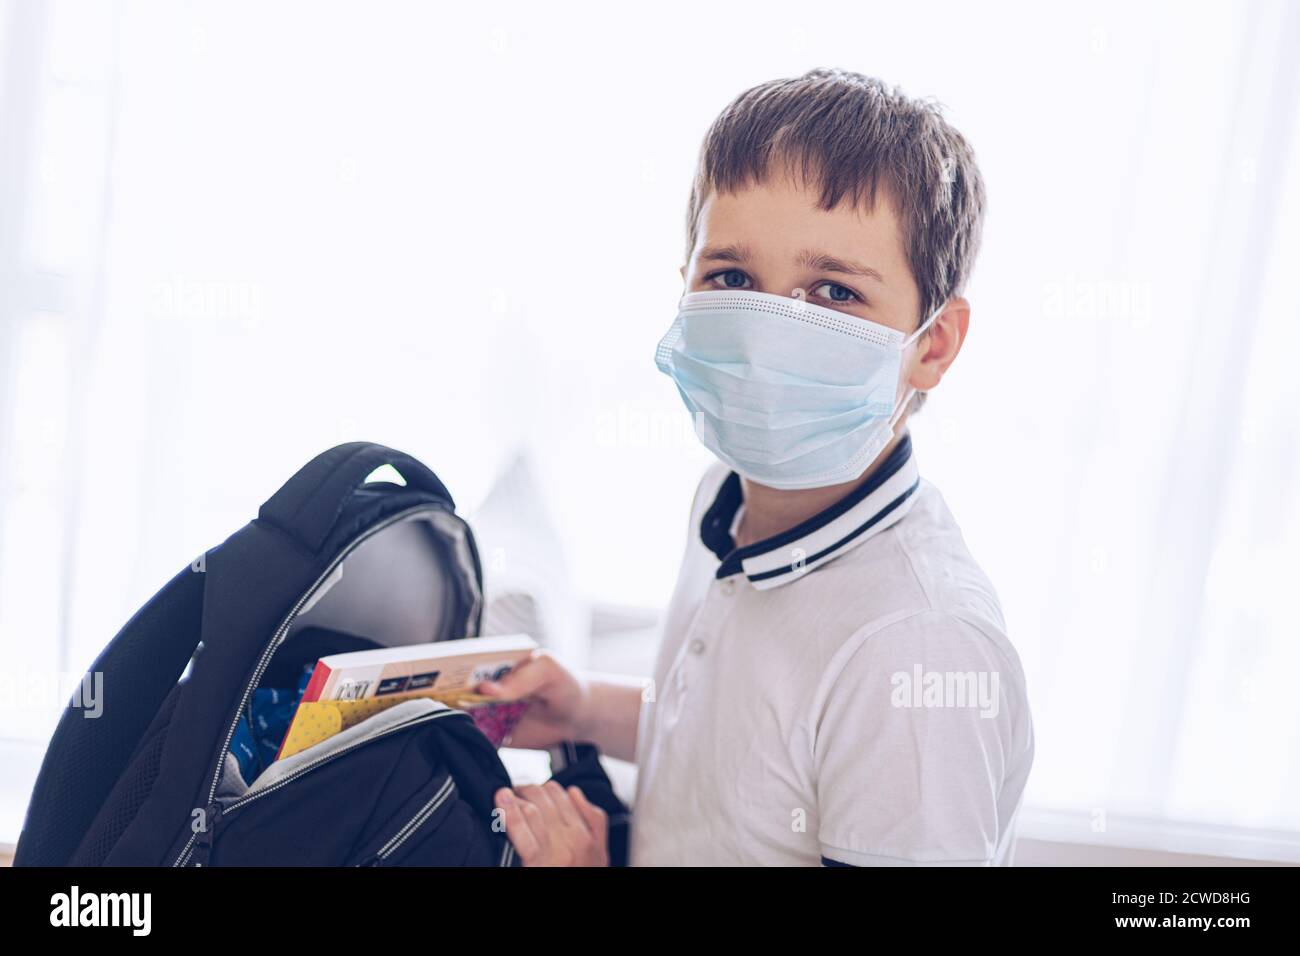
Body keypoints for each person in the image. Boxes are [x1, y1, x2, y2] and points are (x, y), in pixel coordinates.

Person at [483, 67, 1034, 867]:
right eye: (733, 279)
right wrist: (585, 710)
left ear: (934, 344)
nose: (768, 330)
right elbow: (747, 761)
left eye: (835, 292)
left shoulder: (916, 650)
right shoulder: (729, 496)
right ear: (687, 287)